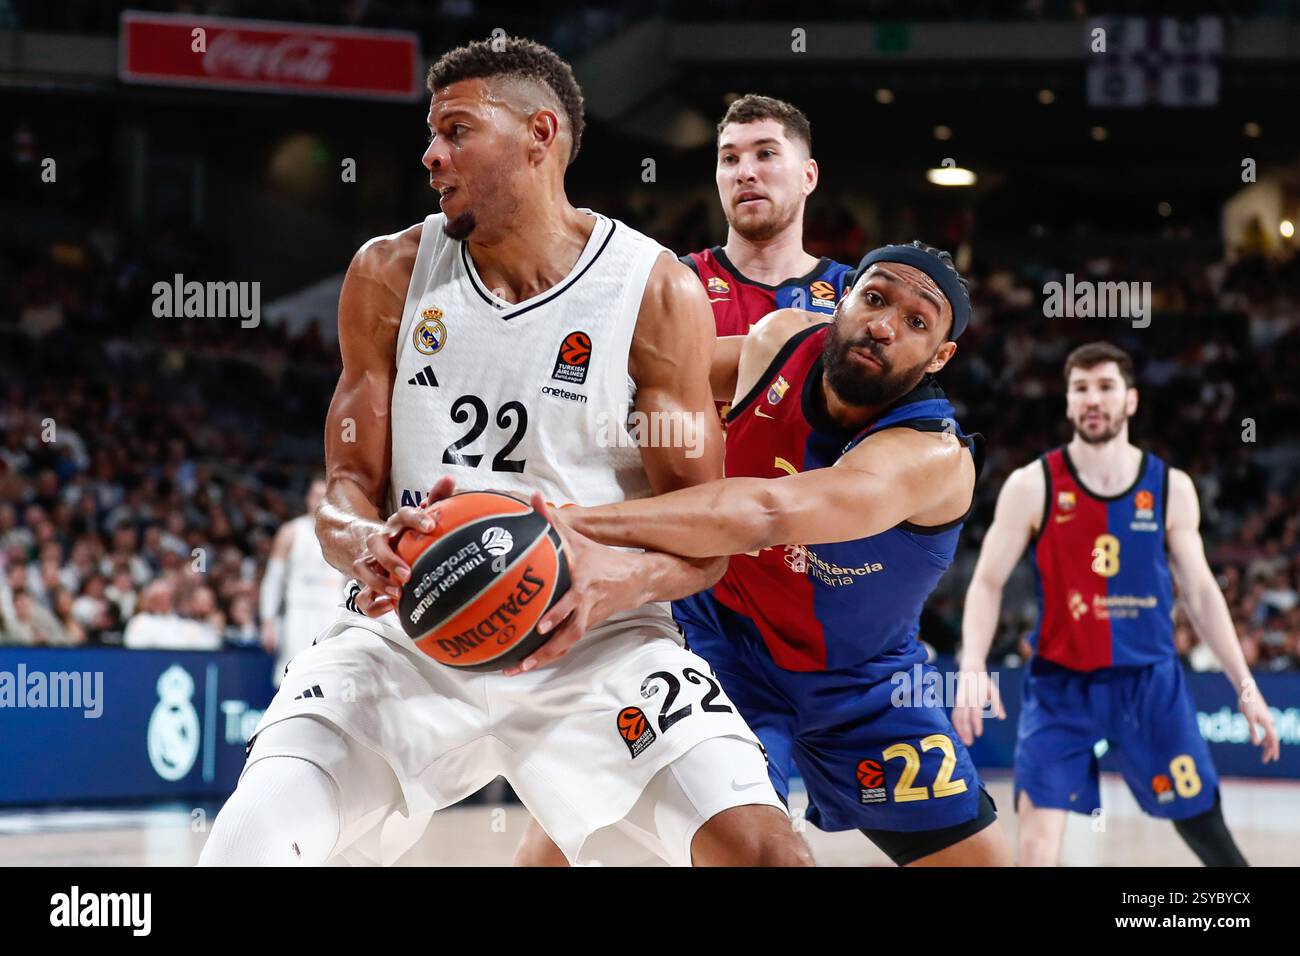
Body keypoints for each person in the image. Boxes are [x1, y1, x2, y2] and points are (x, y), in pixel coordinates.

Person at [199, 36, 807, 868]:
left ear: (539, 134)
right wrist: (360, 545)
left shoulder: (653, 290)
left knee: (772, 855)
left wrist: (610, 577)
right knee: (246, 847)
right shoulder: (386, 273)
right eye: (430, 132)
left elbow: (704, 541)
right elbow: (344, 486)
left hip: (596, 639)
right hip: (408, 629)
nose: (430, 154)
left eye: (455, 131)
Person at [518, 242, 1013, 866]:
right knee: (568, 829)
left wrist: (572, 524)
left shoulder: (933, 458)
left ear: (940, 357)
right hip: (720, 646)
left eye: (917, 323)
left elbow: (765, 515)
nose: (884, 326)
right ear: (842, 302)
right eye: (875, 298)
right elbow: (649, 379)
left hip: (863, 687)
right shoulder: (777, 340)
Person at [956, 341, 1280, 866]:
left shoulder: (1171, 487)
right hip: (1060, 686)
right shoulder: (1031, 485)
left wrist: (1245, 685)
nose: (1093, 399)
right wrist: (972, 663)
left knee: (1207, 832)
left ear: (1131, 400)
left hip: (1149, 686)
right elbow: (987, 583)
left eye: (1106, 387)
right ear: (1067, 403)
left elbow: (1200, 591)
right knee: (1036, 849)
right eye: (1080, 388)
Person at [259, 476, 347, 684]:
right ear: (308, 498)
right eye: (316, 496)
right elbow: (273, 579)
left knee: (328, 679)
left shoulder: (344, 532)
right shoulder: (290, 532)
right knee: (292, 677)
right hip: (298, 612)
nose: (320, 502)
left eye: (325, 497)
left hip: (331, 613)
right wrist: (267, 620)